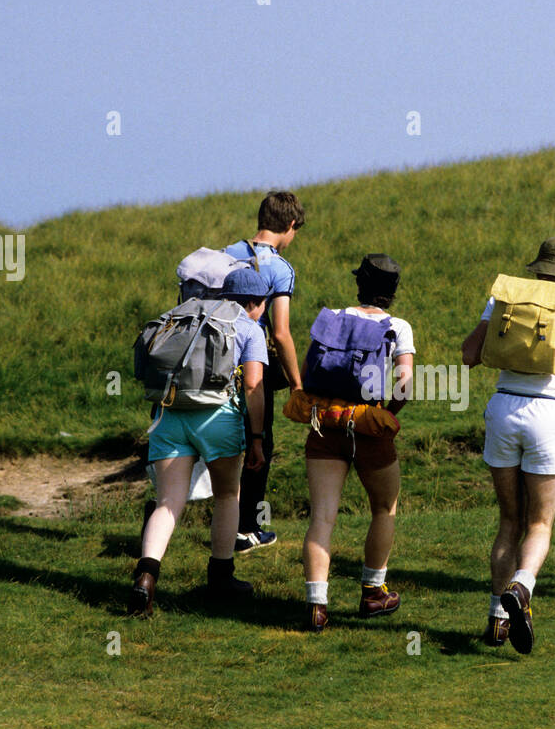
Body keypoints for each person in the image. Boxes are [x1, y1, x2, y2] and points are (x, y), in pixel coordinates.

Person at [461, 237, 555, 654]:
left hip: (503, 408)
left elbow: (469, 354)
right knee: (540, 524)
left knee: (509, 522)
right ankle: (522, 589)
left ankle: (497, 621)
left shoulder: (505, 298)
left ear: (537, 268)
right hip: (547, 415)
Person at [128, 268, 270, 617]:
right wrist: (256, 438)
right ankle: (221, 578)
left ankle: (146, 578)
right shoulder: (250, 328)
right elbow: (252, 385)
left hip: (171, 415)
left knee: (167, 502)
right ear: (255, 302)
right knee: (226, 495)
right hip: (217, 418)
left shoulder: (189, 316)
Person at [301, 255, 415, 632]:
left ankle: (317, 606)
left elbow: (308, 371)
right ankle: (372, 592)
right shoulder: (398, 326)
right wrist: (388, 415)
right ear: (392, 292)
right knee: (384, 507)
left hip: (326, 423)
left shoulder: (332, 316)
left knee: (322, 517)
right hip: (368, 426)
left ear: (359, 285)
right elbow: (405, 384)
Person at [223, 191, 306, 554]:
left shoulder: (226, 254)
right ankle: (248, 529)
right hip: (253, 363)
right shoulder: (279, 267)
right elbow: (282, 332)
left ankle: (219, 522)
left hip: (216, 363)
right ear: (290, 225)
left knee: (222, 444)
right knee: (259, 443)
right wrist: (297, 384)